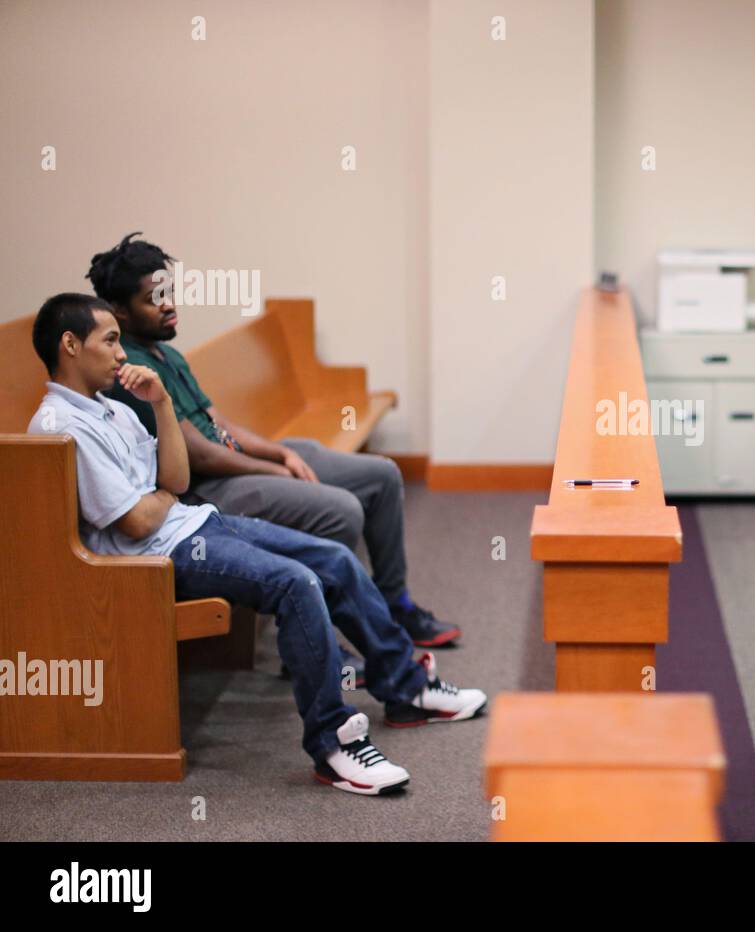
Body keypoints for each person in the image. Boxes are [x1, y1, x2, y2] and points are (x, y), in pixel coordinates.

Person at [28, 293, 487, 796]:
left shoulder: (110, 409)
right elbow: (136, 522)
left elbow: (176, 481)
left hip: (191, 522)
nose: (121, 354)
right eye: (110, 341)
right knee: (296, 583)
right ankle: (333, 745)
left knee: (332, 557)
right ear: (70, 345)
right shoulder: (60, 427)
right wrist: (161, 494)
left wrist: (160, 404)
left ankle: (407, 688)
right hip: (154, 559)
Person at [86, 233, 459, 665]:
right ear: (119, 311)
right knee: (341, 510)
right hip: (207, 488)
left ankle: (396, 605)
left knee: (382, 475)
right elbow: (199, 455)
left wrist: (280, 454)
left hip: (230, 463)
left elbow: (218, 423)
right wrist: (270, 471)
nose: (170, 304)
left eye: (171, 293)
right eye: (155, 299)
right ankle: (313, 644)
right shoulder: (133, 370)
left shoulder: (166, 353)